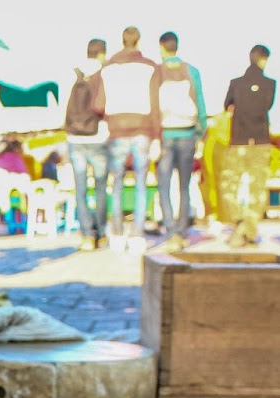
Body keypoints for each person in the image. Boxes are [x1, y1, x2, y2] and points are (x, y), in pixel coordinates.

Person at [96, 26, 159, 253]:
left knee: (118, 184)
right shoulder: (150, 67)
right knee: (141, 183)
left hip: (117, 129)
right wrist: (157, 135)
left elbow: (99, 104)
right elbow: (155, 104)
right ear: (138, 41)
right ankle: (137, 235)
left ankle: (118, 232)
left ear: (122, 40)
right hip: (143, 128)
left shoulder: (109, 68)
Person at [151, 32, 206, 251]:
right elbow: (200, 103)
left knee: (163, 185)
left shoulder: (157, 73)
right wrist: (200, 132)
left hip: (165, 135)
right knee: (184, 185)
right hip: (187, 133)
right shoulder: (191, 71)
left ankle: (171, 230)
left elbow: (153, 106)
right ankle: (182, 231)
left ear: (162, 48)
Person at [219, 44, 275, 243]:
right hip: (260, 141)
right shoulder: (270, 84)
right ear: (264, 60)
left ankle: (239, 220)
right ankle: (249, 230)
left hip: (239, 141)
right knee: (257, 189)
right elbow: (266, 106)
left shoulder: (236, 83)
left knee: (229, 185)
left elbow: (227, 105)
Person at [64, 38, 110, 251]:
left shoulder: (74, 73)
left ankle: (86, 236)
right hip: (99, 137)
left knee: (80, 189)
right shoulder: (105, 74)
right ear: (102, 53)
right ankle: (101, 233)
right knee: (100, 188)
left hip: (75, 139)